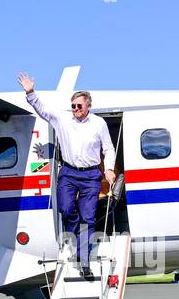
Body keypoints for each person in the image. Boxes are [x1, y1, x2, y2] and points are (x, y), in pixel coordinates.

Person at [17, 73, 115, 279]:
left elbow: (108, 148)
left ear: (88, 106)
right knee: (66, 208)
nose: (76, 110)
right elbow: (43, 110)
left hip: (90, 175)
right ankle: (76, 234)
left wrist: (109, 168)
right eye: (73, 106)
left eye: (79, 106)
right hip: (69, 172)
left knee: (88, 217)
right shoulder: (63, 119)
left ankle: (84, 260)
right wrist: (30, 93)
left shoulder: (99, 124)